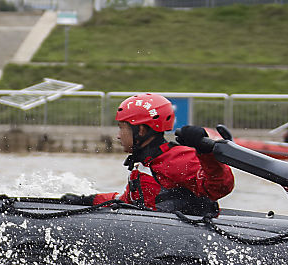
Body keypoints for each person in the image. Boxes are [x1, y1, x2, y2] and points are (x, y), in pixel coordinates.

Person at [59, 92, 235, 216]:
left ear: (141, 130)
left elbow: (219, 187)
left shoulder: (177, 158)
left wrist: (206, 153)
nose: (118, 135)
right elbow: (125, 200)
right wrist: (87, 200)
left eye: (122, 128)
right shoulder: (145, 165)